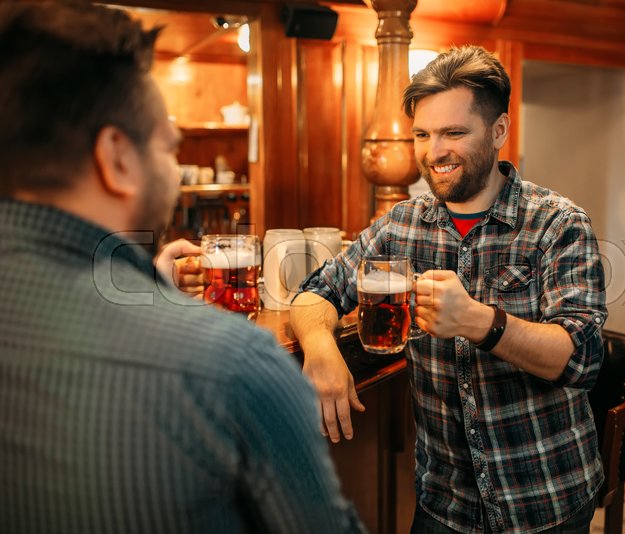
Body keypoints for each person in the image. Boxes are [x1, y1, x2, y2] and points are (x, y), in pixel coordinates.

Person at [0, 2, 362, 533]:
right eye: (169, 149)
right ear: (118, 159)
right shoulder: (230, 363)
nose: (173, 170)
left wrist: (145, 282)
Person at [291, 45, 607, 533]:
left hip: (544, 499)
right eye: (423, 133)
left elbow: (580, 359)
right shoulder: (400, 225)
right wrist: (319, 350)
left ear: (498, 131)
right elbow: (317, 292)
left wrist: (480, 322)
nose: (433, 152)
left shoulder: (557, 224)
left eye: (454, 133)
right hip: (444, 504)